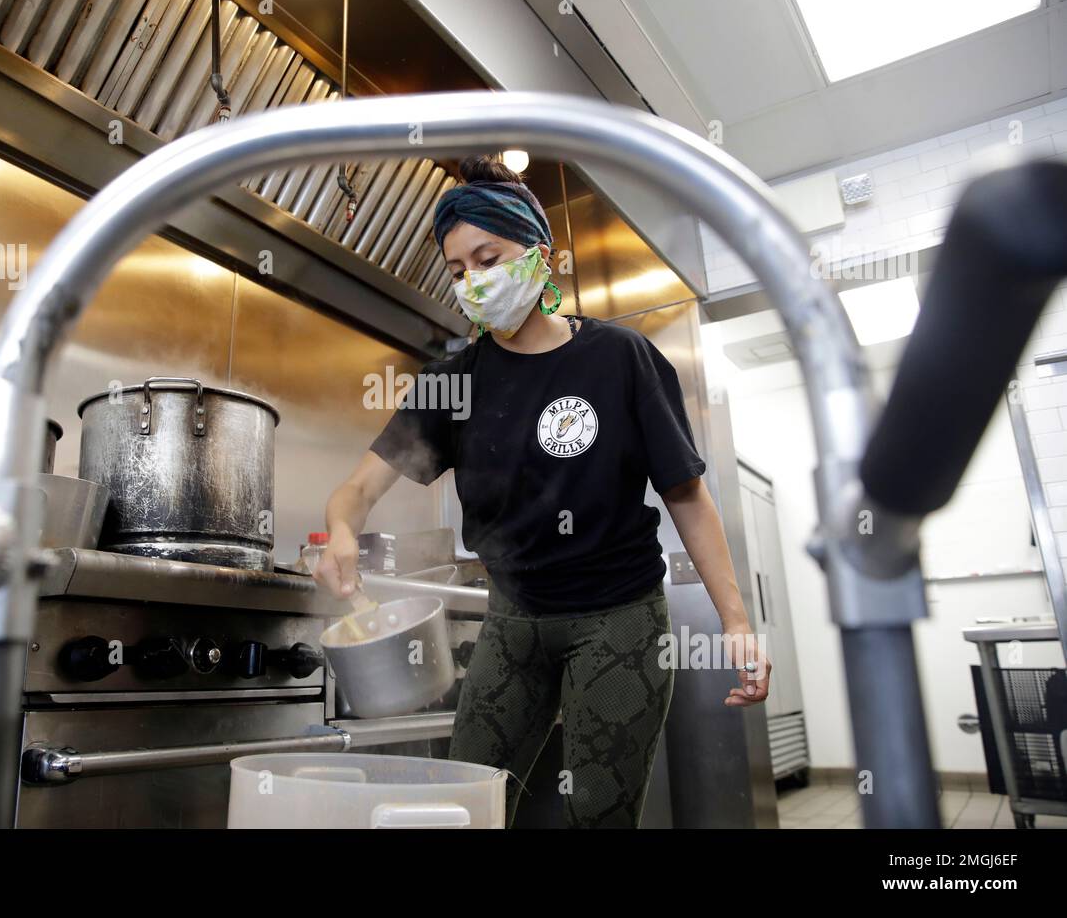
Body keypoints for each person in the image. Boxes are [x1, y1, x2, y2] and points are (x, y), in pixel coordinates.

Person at [314, 155, 771, 828]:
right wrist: (343, 531)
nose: (474, 281)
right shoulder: (452, 382)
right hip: (514, 621)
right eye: (459, 270)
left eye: (488, 257)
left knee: (597, 814)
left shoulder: (619, 358)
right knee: (463, 804)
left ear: (539, 255)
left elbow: (687, 498)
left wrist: (735, 622)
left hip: (618, 619)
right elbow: (356, 489)